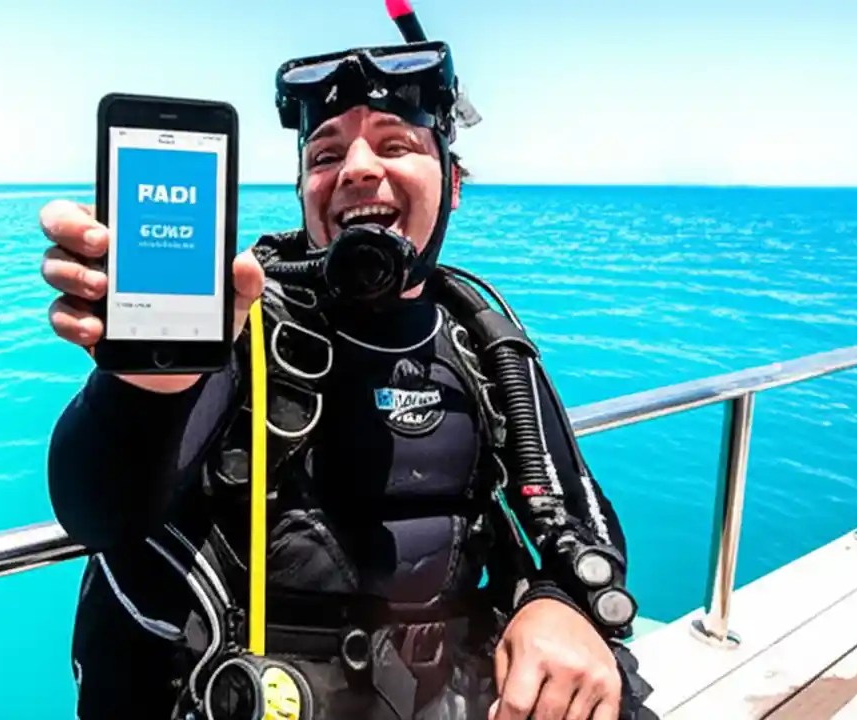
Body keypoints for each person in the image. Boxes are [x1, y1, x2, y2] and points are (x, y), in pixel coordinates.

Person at [39, 34, 655, 720]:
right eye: (325, 154)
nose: (358, 168)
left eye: (395, 145)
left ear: (452, 184)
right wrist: (144, 389)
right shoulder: (242, 320)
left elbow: (583, 524)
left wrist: (559, 604)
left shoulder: (482, 342)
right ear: (305, 192)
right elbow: (97, 511)